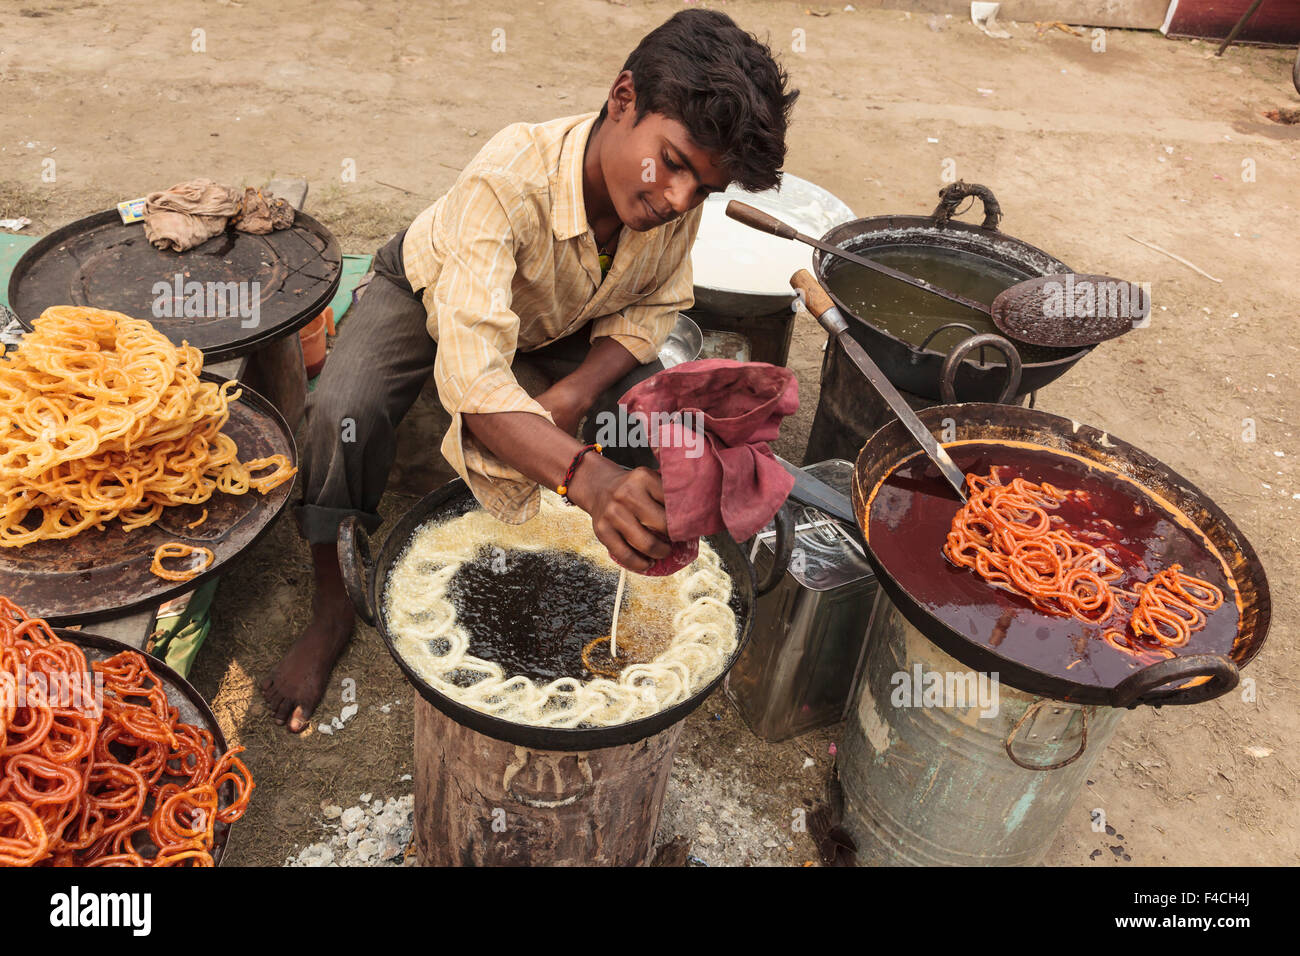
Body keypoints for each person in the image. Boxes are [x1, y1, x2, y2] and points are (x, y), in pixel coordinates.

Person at [261, 9, 798, 732]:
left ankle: (622, 588)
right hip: (430, 290)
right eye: (671, 164)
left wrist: (574, 393)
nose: (677, 199)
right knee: (342, 413)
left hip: (560, 320)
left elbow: (657, 306)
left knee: (649, 414)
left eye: (702, 188)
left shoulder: (672, 204)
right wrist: (586, 476)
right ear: (622, 98)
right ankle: (330, 606)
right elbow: (478, 382)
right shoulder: (508, 177)